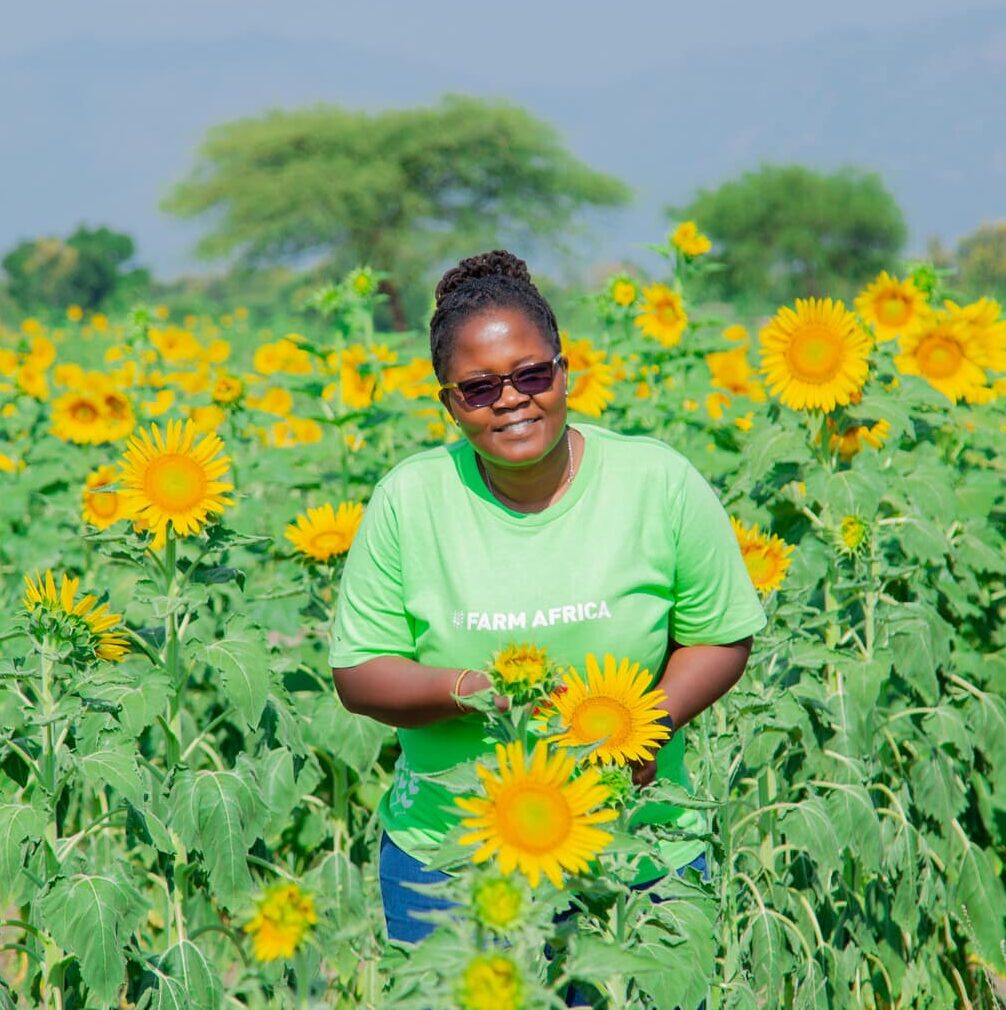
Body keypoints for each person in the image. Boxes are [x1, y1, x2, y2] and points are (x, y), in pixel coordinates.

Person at [329, 250, 767, 951]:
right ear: (448, 401)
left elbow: (720, 636)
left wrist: (648, 721)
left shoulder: (657, 482)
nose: (511, 399)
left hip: (637, 852)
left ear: (564, 374)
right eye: (478, 388)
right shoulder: (410, 499)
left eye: (532, 375)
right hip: (455, 861)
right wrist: (481, 691)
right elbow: (360, 673)